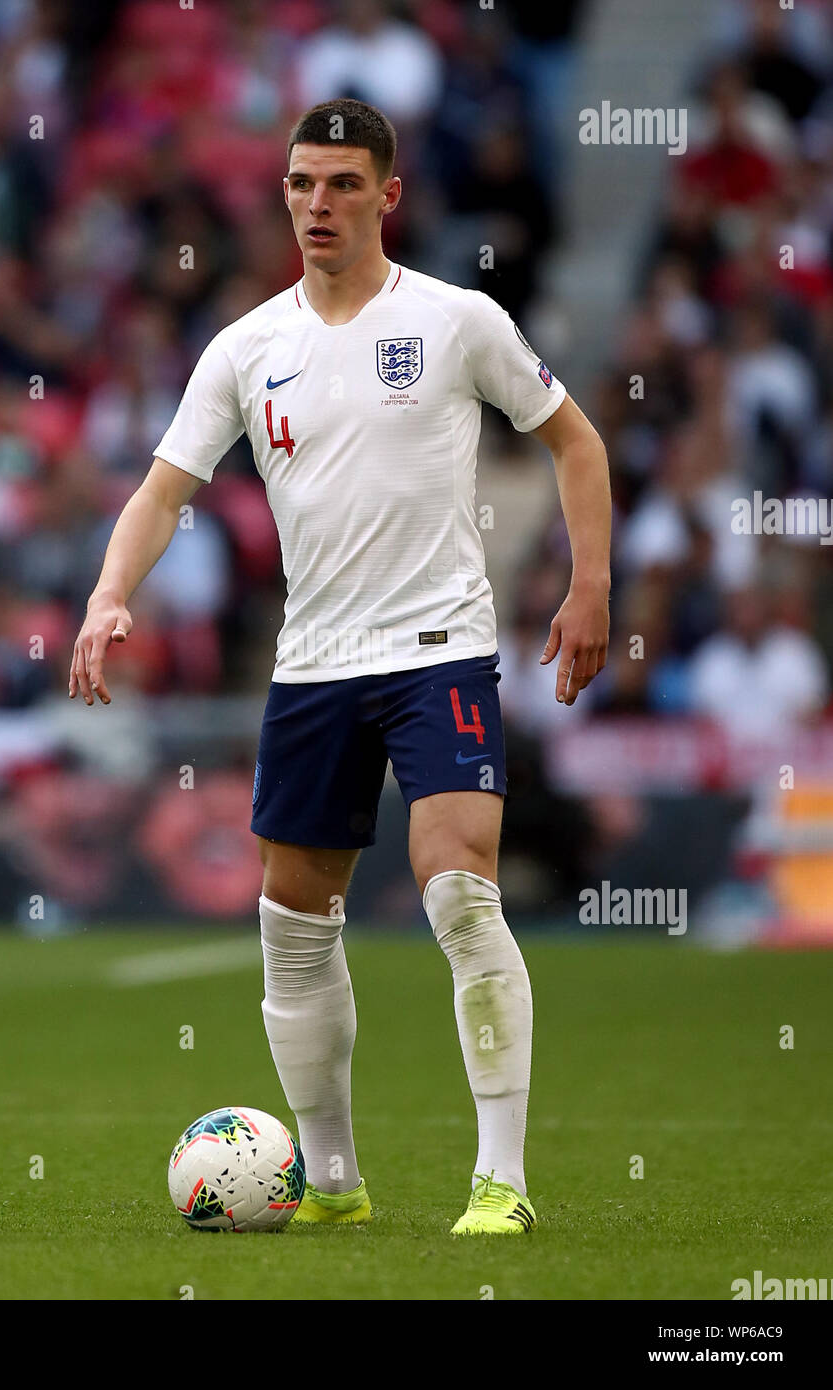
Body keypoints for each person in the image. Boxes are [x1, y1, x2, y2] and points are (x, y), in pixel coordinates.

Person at [69, 99, 611, 1236]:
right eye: (303, 183)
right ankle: (332, 1182)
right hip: (313, 666)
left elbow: (575, 438)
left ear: (387, 195)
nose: (320, 203)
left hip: (439, 652)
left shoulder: (458, 321)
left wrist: (592, 585)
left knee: (460, 889)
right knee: (292, 924)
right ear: (284, 194)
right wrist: (111, 592)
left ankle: (501, 1181)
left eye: (343, 184)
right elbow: (166, 489)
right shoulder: (247, 346)